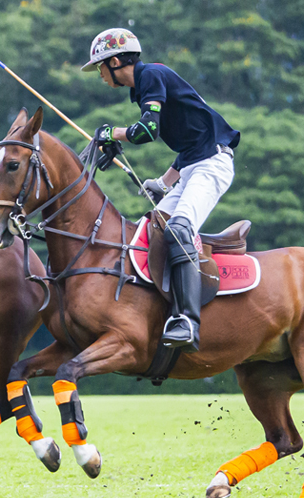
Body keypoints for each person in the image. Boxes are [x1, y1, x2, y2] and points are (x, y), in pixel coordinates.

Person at [81, 29, 240, 353]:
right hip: (195, 163)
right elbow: (191, 141)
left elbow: (146, 131)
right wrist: (165, 181)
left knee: (179, 229)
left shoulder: (150, 75)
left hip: (213, 164)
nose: (99, 75)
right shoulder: (145, 87)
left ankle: (188, 322)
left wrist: (111, 131)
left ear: (114, 61)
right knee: (152, 231)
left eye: (99, 67)